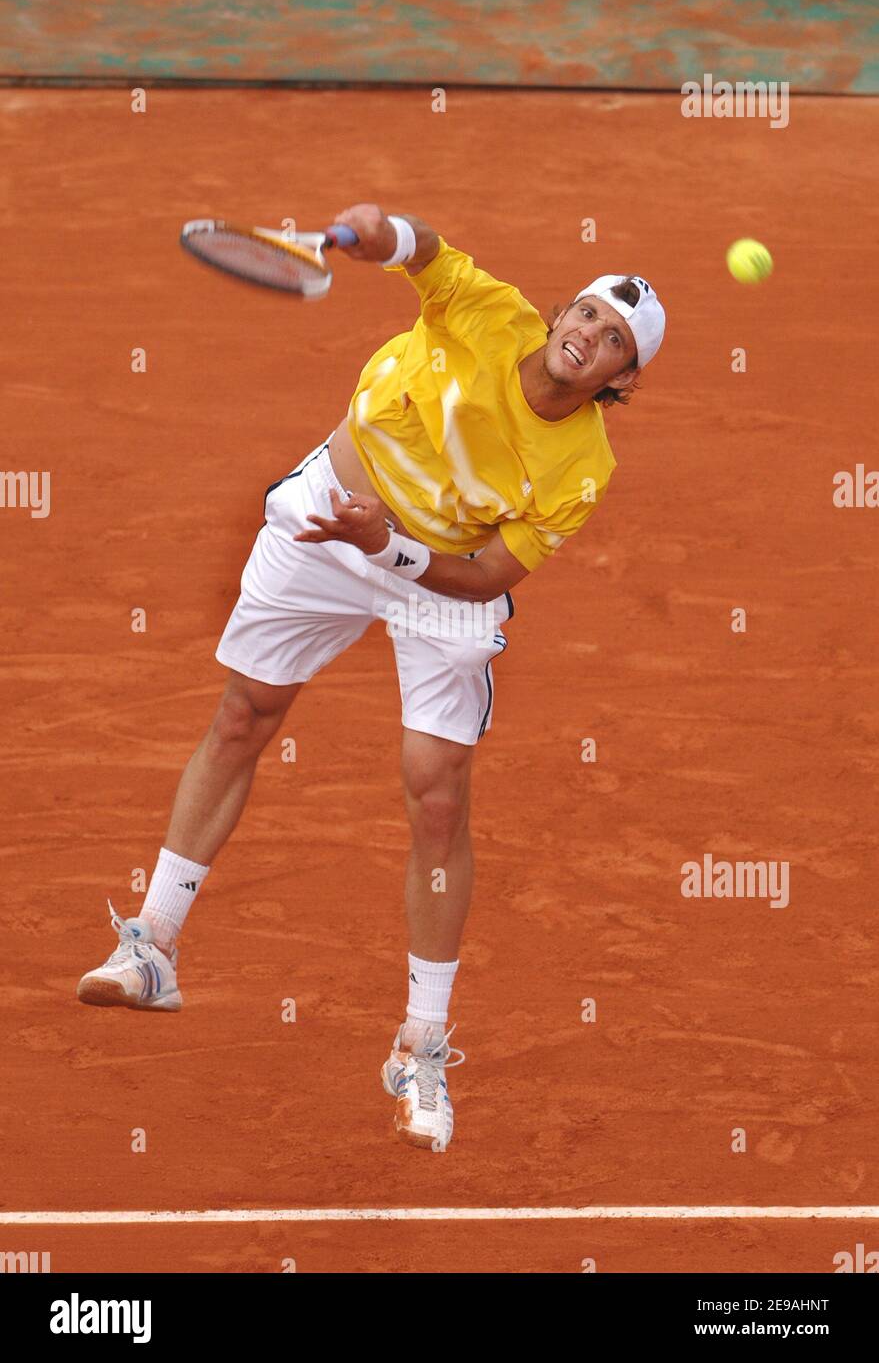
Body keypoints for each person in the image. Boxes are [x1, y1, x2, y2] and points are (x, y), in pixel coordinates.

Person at [77, 204, 666, 1152]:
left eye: (612, 341)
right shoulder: (487, 312)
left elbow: (485, 579)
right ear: (558, 314)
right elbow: (424, 251)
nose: (587, 338)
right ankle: (151, 949)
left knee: (437, 794)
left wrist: (385, 547)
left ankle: (420, 1047)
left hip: (434, 576)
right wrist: (375, 226)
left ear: (620, 379)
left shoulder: (582, 467)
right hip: (328, 518)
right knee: (245, 714)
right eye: (586, 316)